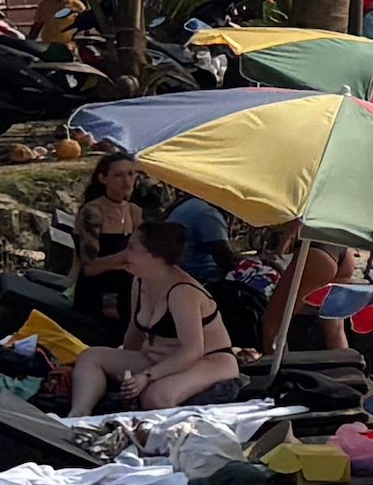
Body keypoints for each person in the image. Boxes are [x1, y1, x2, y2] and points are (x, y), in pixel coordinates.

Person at [62, 212, 244, 414]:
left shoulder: (183, 292)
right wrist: (123, 365)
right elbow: (135, 332)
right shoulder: (141, 280)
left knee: (155, 397)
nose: (125, 254)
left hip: (208, 363)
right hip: (159, 358)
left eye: (131, 248)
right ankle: (78, 415)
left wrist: (147, 376)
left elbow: (192, 350)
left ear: (153, 256)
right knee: (91, 357)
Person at [67, 147, 149, 344]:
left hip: (128, 292)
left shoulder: (134, 211)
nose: (127, 181)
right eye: (119, 175)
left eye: (131, 174)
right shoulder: (94, 212)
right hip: (96, 292)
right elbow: (90, 267)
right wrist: (126, 259)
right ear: (104, 179)